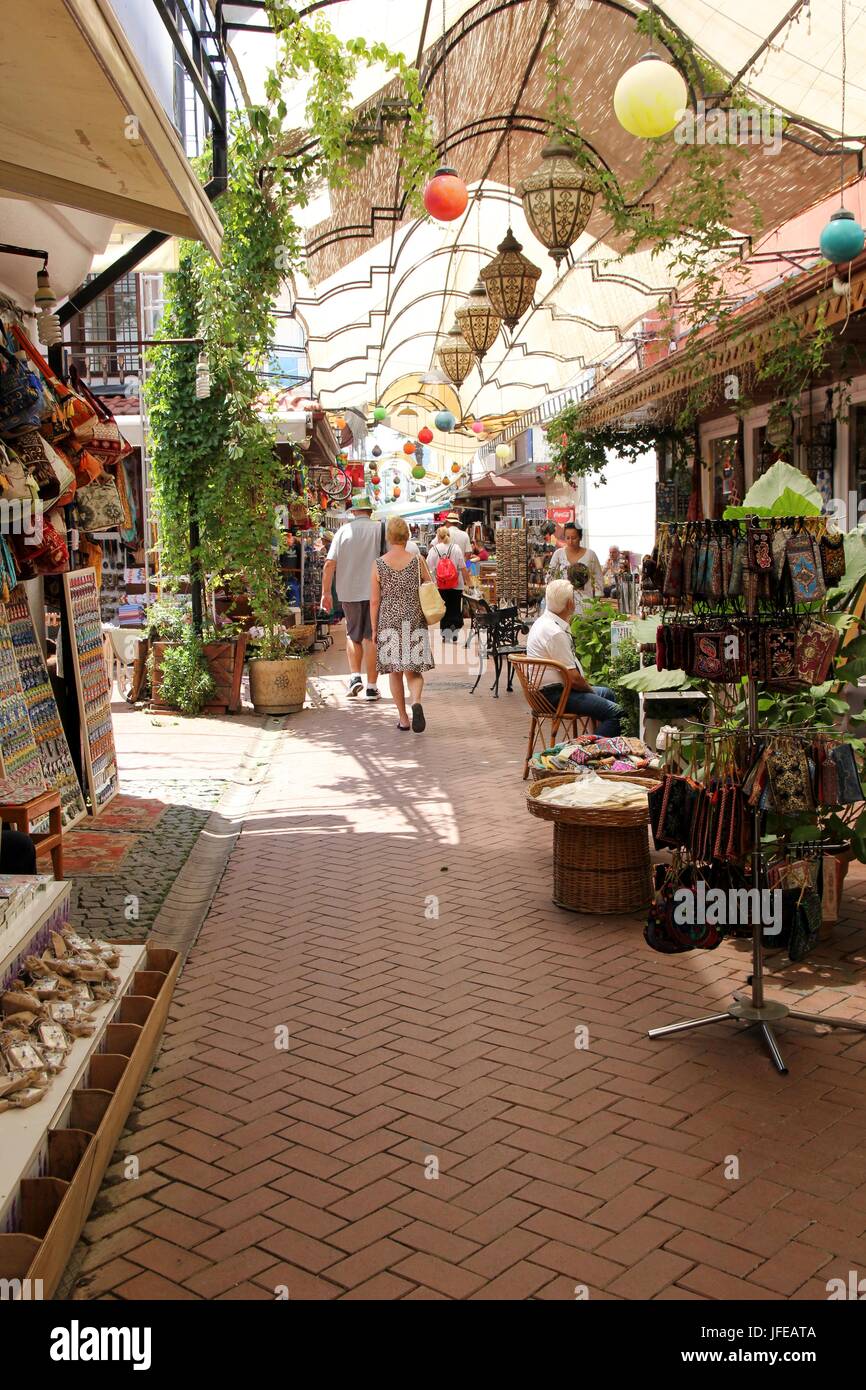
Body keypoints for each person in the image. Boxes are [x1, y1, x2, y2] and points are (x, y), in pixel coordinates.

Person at [526, 578, 622, 735]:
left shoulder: (544, 622)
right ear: (570, 604)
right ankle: (587, 751)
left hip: (550, 693)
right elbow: (573, 679)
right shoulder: (554, 631)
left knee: (608, 694)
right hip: (554, 696)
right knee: (617, 713)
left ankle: (604, 748)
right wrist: (589, 690)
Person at [370, 516, 435, 733]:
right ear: (406, 536)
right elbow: (429, 584)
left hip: (388, 620)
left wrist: (373, 628)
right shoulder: (417, 560)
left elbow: (375, 600)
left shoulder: (378, 564)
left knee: (395, 673)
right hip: (414, 618)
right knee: (413, 670)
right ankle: (416, 701)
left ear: (388, 537)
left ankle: (403, 718)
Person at [320, 493, 382, 700]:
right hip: (376, 591)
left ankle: (355, 677)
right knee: (372, 637)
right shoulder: (380, 530)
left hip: (349, 591)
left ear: (353, 512)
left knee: (352, 634)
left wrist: (326, 593)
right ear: (370, 511)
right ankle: (372, 687)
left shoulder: (343, 531)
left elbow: (329, 564)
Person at [546, 521, 603, 613]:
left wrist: (597, 599)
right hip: (564, 602)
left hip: (586, 601)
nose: (570, 541)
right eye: (567, 538)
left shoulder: (590, 555)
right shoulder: (559, 554)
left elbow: (598, 578)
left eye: (574, 538)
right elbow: (550, 577)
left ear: (580, 537)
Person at [426, 524, 467, 640]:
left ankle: (445, 633)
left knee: (444, 608)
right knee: (454, 607)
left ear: (438, 537)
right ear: (449, 536)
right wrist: (469, 582)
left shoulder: (434, 550)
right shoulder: (456, 548)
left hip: (440, 584)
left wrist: (430, 581)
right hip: (456, 584)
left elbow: (428, 567)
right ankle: (454, 630)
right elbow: (463, 567)